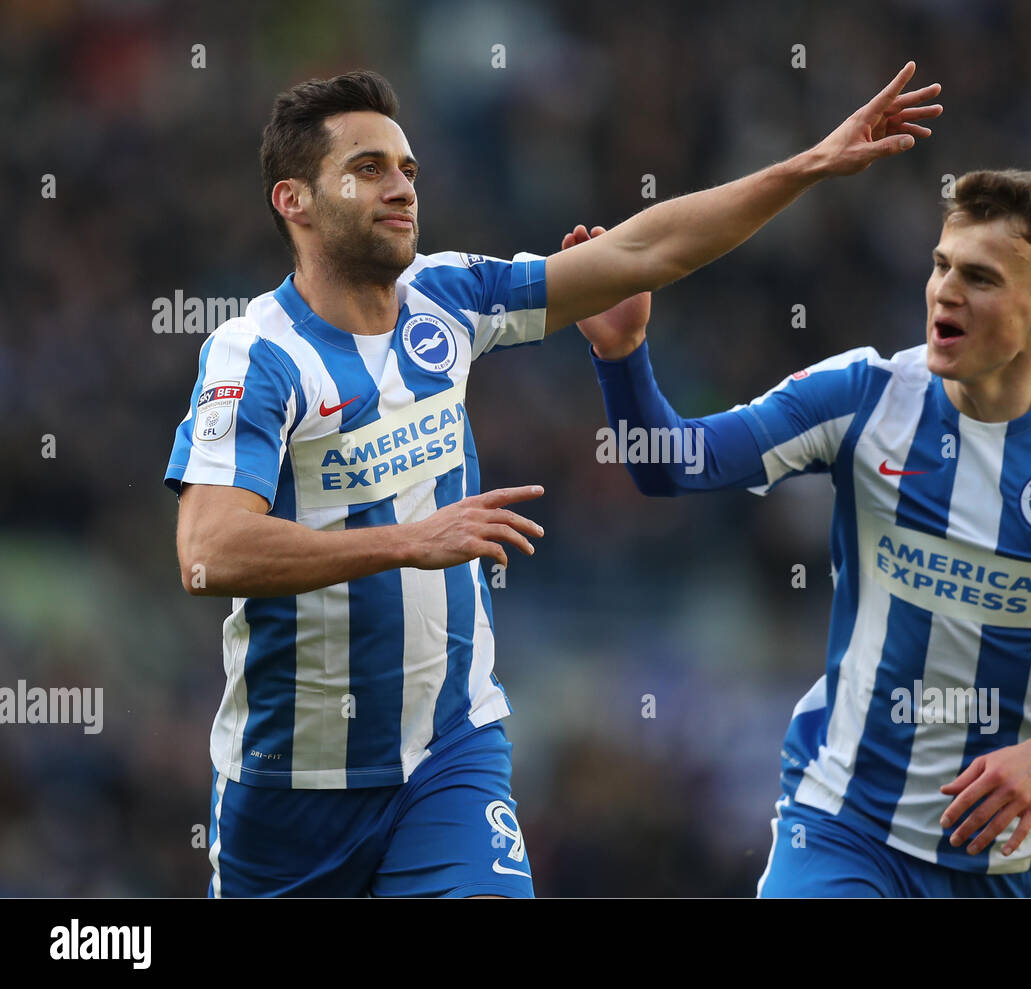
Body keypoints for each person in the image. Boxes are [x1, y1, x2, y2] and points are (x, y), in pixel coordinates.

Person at [163, 66, 942, 897]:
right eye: (367, 169)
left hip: (449, 754)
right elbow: (208, 551)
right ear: (295, 200)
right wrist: (406, 541)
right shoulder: (257, 354)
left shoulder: (448, 297)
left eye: (407, 170)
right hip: (292, 785)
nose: (400, 188)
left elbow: (646, 249)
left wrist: (807, 167)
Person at [572, 168, 1031, 897]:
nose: (946, 292)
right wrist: (622, 357)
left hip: (996, 860)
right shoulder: (866, 397)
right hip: (839, 823)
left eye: (979, 278)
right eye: (941, 264)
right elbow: (674, 466)